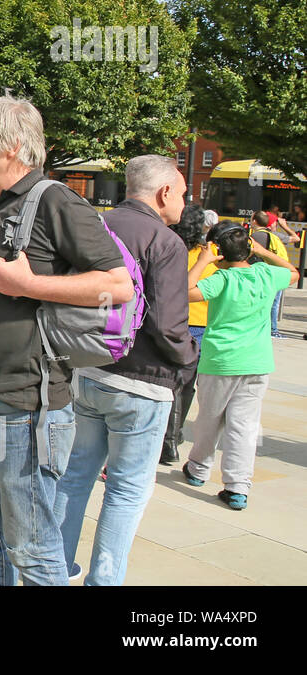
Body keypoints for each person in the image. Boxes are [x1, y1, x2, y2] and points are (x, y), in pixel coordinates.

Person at [0, 96, 133, 586]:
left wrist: (30, 286)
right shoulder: (0, 207)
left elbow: (118, 287)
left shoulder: (55, 200)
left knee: (32, 550)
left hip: (26, 407)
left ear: (9, 148)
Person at [53, 156, 197, 586]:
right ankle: (105, 580)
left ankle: (54, 569)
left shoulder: (97, 224)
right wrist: (189, 358)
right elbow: (169, 326)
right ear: (165, 192)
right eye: (184, 193)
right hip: (143, 382)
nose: (184, 203)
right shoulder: (165, 241)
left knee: (75, 475)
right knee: (127, 489)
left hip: (88, 368)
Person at [182, 222, 299, 510]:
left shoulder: (222, 280)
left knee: (209, 419)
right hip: (257, 362)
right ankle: (237, 487)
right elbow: (294, 273)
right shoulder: (266, 274)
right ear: (249, 249)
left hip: (220, 361)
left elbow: (185, 291)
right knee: (244, 426)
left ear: (219, 253)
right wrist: (265, 253)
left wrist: (201, 261)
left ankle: (198, 469)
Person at [161, 203, 213, 465]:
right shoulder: (209, 255)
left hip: (179, 323)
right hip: (204, 325)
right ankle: (176, 433)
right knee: (186, 387)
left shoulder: (171, 249)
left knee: (171, 384)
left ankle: (167, 439)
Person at [249, 211, 290, 337]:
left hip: (262, 273)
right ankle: (273, 329)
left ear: (255, 221)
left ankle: (271, 329)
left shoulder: (256, 236)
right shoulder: (273, 235)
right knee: (274, 302)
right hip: (276, 272)